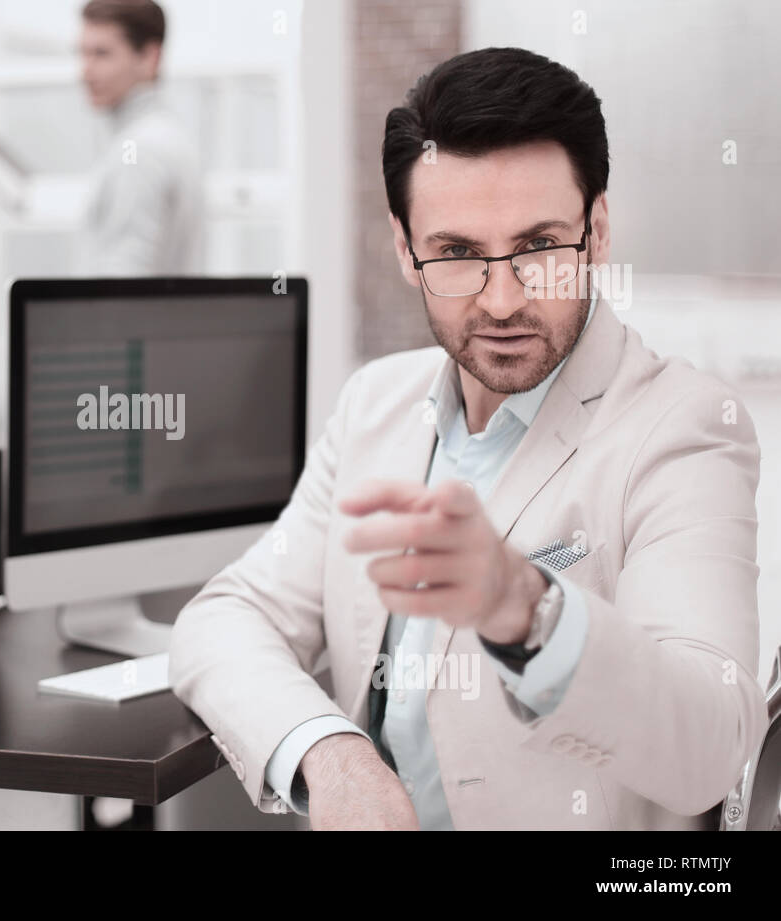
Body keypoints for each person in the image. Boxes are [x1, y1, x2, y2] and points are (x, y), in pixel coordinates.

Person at [169, 47, 767, 830]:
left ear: (598, 230)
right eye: (456, 253)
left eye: (538, 247)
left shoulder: (683, 426)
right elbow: (225, 616)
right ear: (405, 250)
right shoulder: (376, 405)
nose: (504, 298)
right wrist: (330, 750)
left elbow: (709, 748)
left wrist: (529, 610)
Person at [78, 0, 203, 275]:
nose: (85, 71)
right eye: (82, 54)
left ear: (150, 58)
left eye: (102, 54)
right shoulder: (170, 134)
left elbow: (123, 280)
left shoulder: (139, 151)